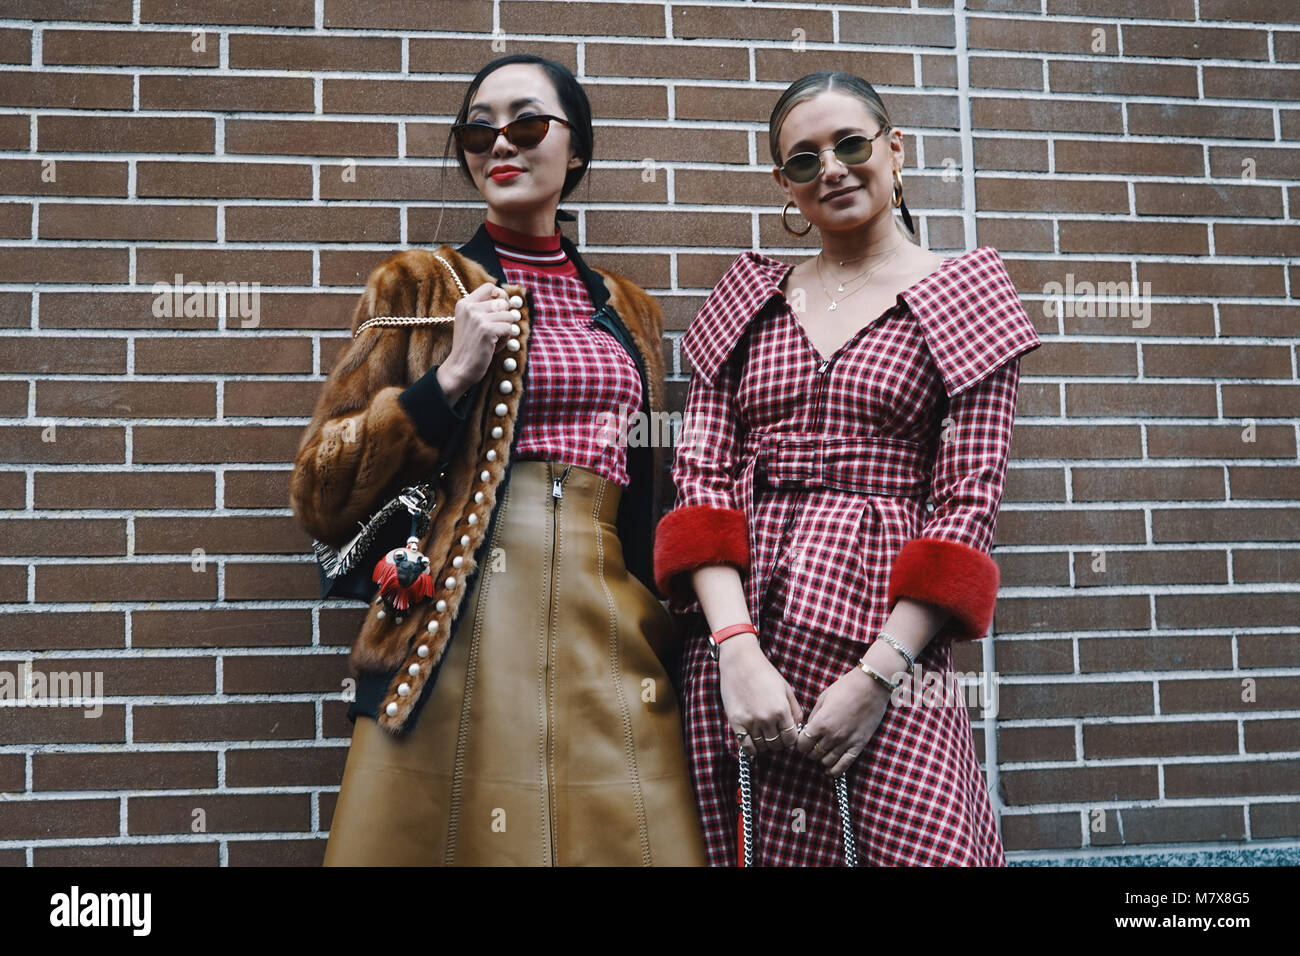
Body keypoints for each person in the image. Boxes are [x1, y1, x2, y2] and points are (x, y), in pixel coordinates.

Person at [290, 53, 706, 866]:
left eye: (525, 124)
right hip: (461, 611)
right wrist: (449, 378)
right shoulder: (417, 287)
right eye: (477, 130)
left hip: (610, 610)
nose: (498, 146)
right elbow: (321, 486)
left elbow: (655, 489)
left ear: (575, 150)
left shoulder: (631, 310)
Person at [653, 70, 1043, 866]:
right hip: (743, 643)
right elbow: (701, 482)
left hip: (888, 646)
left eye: (851, 144)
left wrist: (877, 678)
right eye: (804, 159)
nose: (830, 168)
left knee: (917, 843)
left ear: (895, 151)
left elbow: (967, 507)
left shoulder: (966, 296)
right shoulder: (748, 299)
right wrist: (735, 650)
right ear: (784, 185)